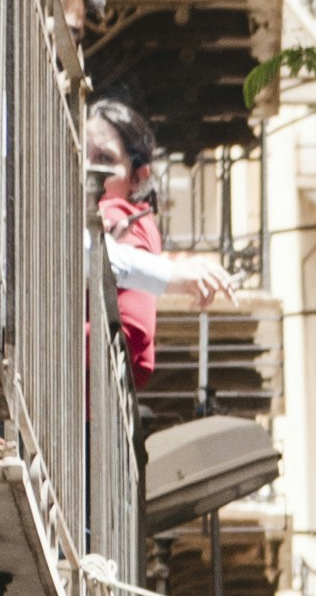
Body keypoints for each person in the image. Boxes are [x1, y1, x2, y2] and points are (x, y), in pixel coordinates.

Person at [83, 93, 233, 383]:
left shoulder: (122, 217)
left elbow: (133, 329)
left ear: (137, 177)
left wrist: (51, 344)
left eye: (105, 159)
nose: (88, 168)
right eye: (82, 152)